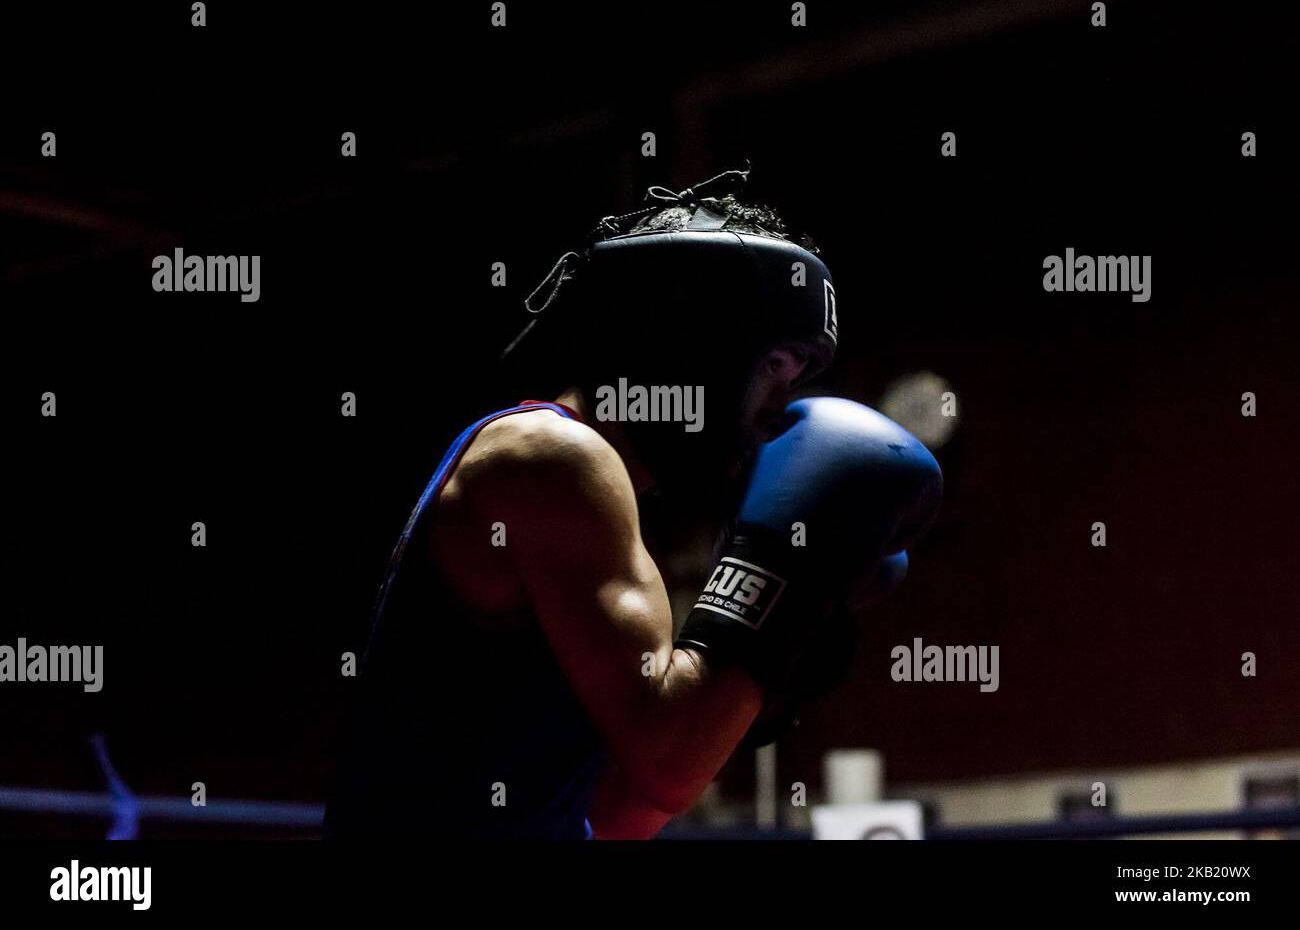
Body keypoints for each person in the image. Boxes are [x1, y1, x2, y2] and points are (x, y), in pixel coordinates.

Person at [324, 169, 942, 839]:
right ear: (687, 342)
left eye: (796, 377)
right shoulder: (548, 460)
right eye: (772, 367)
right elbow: (670, 760)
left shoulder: (597, 503)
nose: (780, 410)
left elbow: (614, 817)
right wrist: (768, 601)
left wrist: (760, 681)